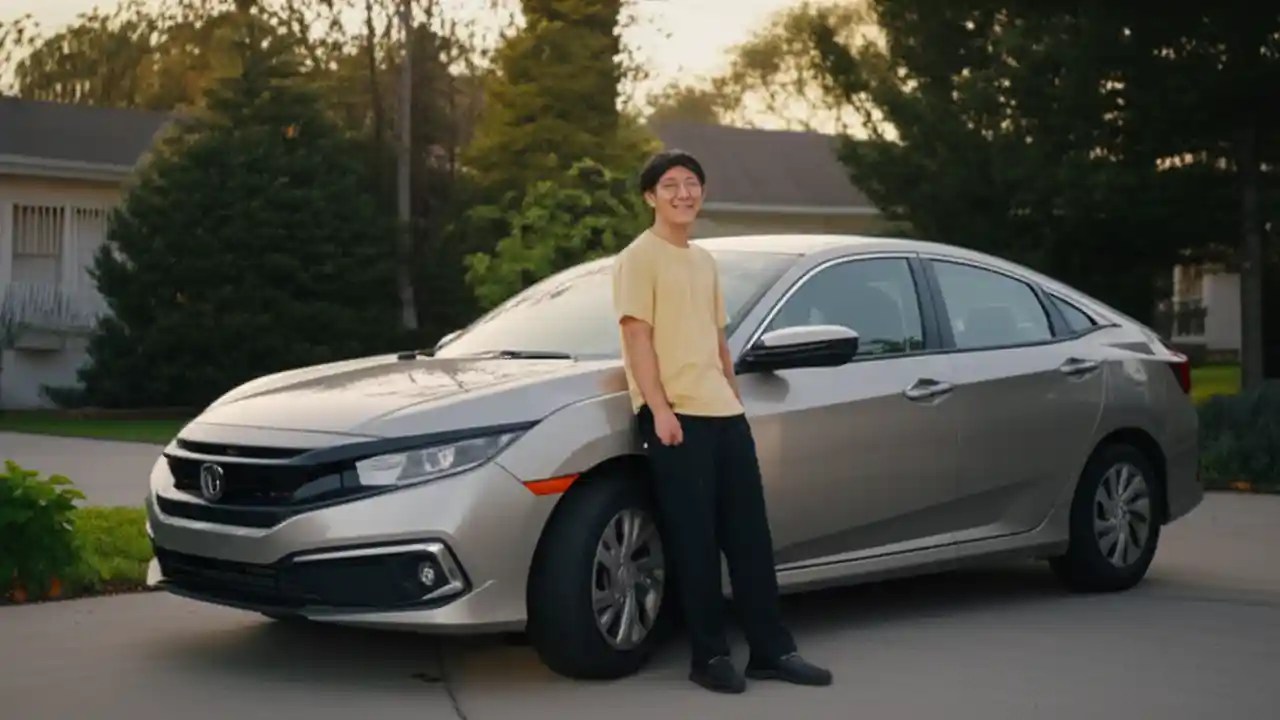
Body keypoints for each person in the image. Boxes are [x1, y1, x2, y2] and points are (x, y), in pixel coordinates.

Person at [611, 149, 833, 694]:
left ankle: (772, 650)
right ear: (650, 196)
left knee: (750, 539)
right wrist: (659, 409)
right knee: (695, 541)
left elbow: (717, 343)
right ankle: (708, 658)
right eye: (670, 185)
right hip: (677, 418)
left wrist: (736, 404)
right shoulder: (639, 258)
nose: (683, 193)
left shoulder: (703, 261)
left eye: (692, 184)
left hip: (724, 416)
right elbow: (637, 338)